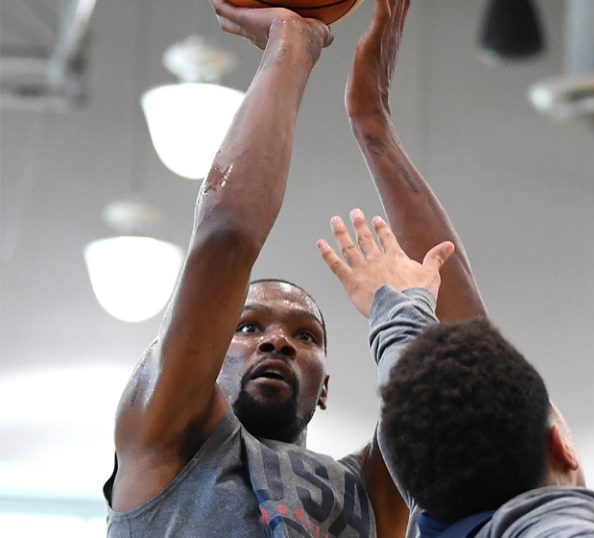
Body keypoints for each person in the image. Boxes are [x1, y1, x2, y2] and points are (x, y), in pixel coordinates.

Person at [103, 0, 485, 537]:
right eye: (248, 326)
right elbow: (226, 238)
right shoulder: (159, 440)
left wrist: (374, 124)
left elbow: (478, 362)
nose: (276, 342)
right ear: (209, 354)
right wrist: (292, 43)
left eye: (305, 335)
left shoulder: (370, 490)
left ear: (326, 386)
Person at [317, 214, 594, 538]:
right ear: (562, 449)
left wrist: (397, 308)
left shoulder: (436, 521)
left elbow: (428, 408)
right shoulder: (560, 522)